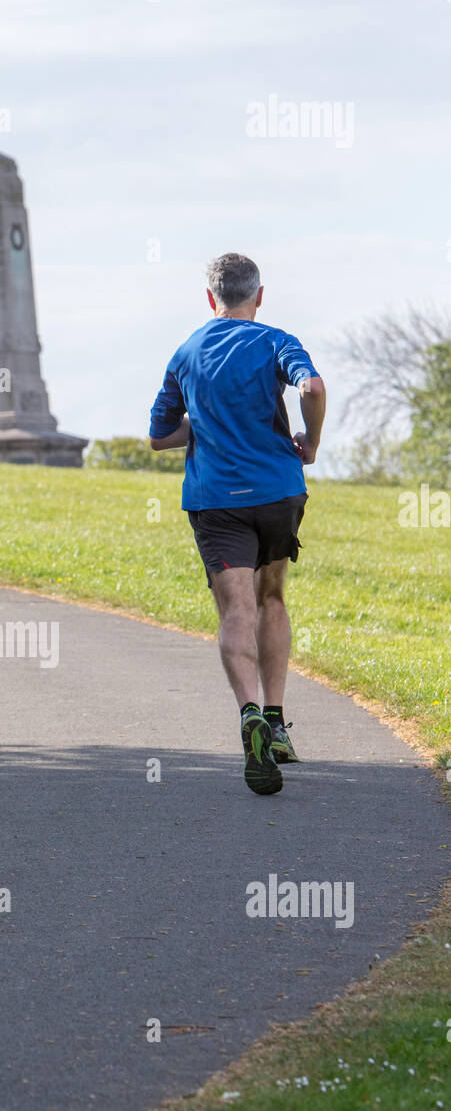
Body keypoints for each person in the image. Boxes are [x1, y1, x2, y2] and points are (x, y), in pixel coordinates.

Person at [149, 254, 326, 796]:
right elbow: (312, 388)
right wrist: (310, 443)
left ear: (210, 298)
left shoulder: (186, 352)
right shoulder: (276, 340)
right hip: (277, 491)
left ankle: (247, 711)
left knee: (236, 609)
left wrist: (202, 422)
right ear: (260, 295)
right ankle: (275, 723)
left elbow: (159, 436)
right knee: (271, 599)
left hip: (215, 499)